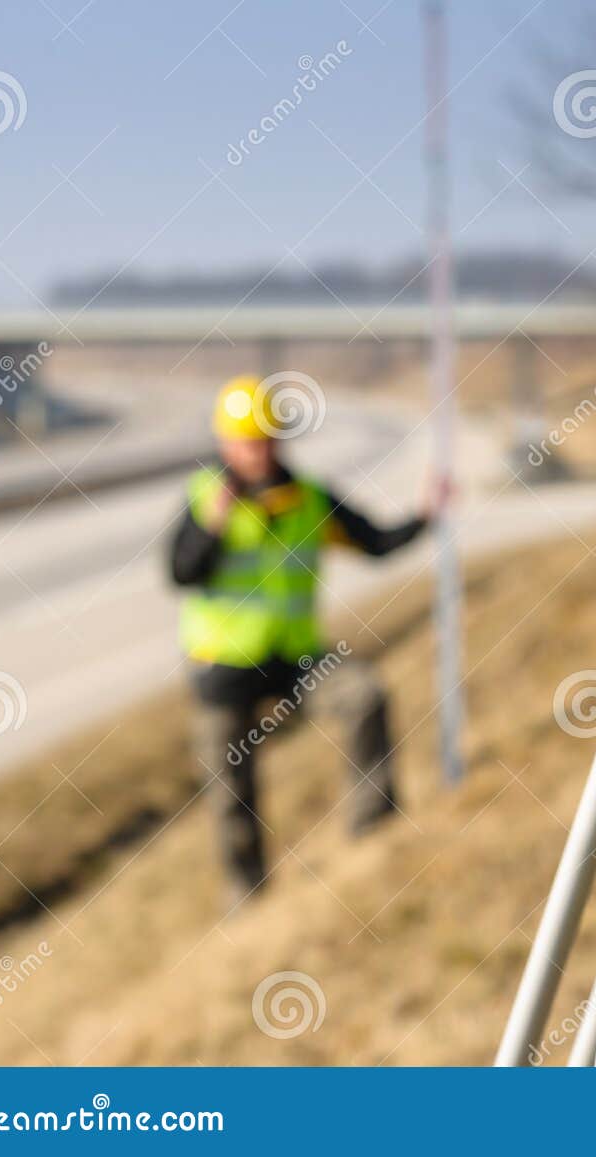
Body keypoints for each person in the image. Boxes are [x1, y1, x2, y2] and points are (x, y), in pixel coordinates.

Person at [169, 374, 439, 907]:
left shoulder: (310, 499)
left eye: (265, 439)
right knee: (230, 791)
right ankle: (246, 898)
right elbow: (181, 572)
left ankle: (374, 834)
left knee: (364, 695)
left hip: (295, 659)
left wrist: (425, 515)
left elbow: (376, 541)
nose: (256, 452)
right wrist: (212, 528)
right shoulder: (204, 499)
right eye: (246, 441)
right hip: (223, 669)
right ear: (226, 443)